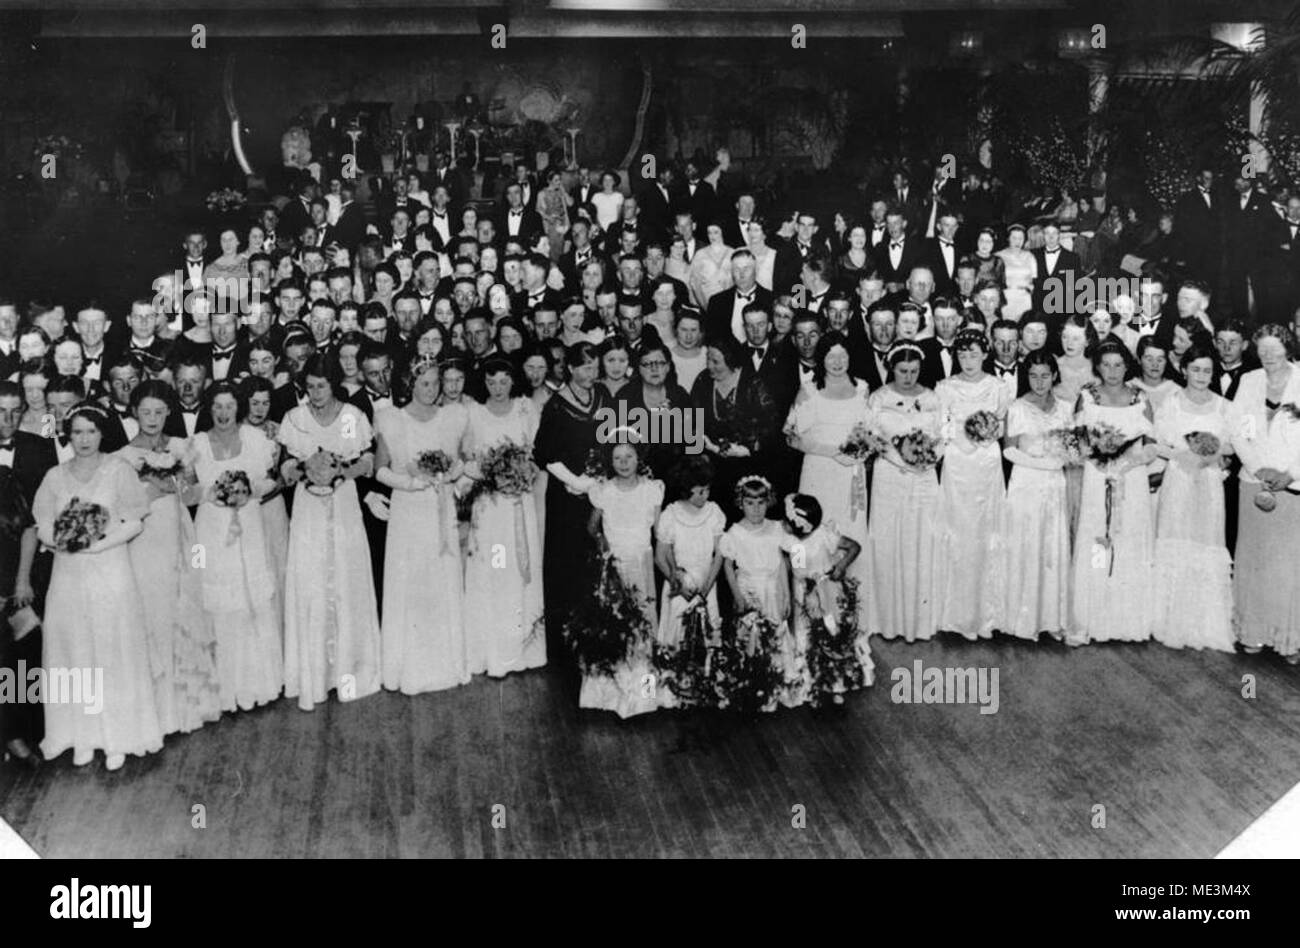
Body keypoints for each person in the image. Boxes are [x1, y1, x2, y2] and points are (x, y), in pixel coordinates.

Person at [33, 404, 161, 771]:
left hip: (110, 570)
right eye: (76, 432)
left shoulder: (118, 470)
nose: (84, 439)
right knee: (72, 651)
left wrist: (97, 543)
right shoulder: (55, 476)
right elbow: (41, 521)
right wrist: (62, 540)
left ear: (102, 433)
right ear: (67, 435)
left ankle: (117, 735)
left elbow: (135, 519)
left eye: (90, 431)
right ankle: (80, 735)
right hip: (68, 575)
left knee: (110, 649)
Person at [277, 354, 382, 709]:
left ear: (334, 384)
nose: (315, 393)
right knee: (311, 581)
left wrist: (339, 471)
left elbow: (366, 462)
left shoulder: (352, 418)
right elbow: (285, 467)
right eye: (309, 387)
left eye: (321, 386)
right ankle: (315, 676)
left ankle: (349, 673)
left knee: (346, 579)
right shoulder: (295, 419)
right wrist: (304, 467)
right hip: (308, 510)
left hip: (343, 507)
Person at [117, 380, 220, 735]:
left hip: (180, 535)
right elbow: (123, 508)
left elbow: (191, 495)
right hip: (146, 541)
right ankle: (157, 712)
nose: (152, 418)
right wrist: (151, 490)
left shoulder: (180, 447)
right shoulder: (123, 456)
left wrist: (177, 487)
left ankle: (187, 707)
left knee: (185, 608)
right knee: (155, 613)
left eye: (159, 412)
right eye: (145, 411)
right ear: (134, 413)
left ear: (168, 413)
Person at [374, 356, 471, 694]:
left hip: (440, 506)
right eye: (425, 383)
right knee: (410, 581)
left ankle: (446, 663)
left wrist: (448, 474)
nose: (432, 390)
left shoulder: (454, 417)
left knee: (440, 578)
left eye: (436, 383)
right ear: (410, 384)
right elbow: (380, 469)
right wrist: (411, 484)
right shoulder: (391, 419)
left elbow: (464, 460)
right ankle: (409, 667)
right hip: (408, 510)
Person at [191, 381, 284, 711]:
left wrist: (250, 491)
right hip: (213, 531)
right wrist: (211, 493)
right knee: (222, 603)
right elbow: (185, 491)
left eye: (229, 406)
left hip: (249, 527)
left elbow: (271, 481)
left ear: (239, 408)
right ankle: (226, 690)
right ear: (209, 409)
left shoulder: (256, 439)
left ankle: (259, 684)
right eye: (216, 406)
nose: (223, 413)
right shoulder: (198, 443)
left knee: (252, 600)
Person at [1070, 341, 1158, 645]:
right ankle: (1094, 616)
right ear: (1097, 366)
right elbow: (1079, 441)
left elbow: (1150, 445)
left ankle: (1127, 619)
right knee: (1098, 539)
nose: (1112, 371)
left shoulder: (1140, 397)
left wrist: (1125, 464)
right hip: (1097, 478)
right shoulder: (1087, 396)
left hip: (1130, 479)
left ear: (1127, 366)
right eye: (1106, 365)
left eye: (1118, 365)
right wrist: (1102, 462)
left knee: (1128, 538)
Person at [462, 357, 546, 677]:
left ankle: (521, 650)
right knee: (493, 570)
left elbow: (538, 455)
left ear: (513, 381)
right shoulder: (475, 414)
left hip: (518, 504)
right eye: (492, 382)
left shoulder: (526, 409)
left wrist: (522, 474)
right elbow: (467, 459)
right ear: (484, 383)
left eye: (504, 381)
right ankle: (492, 651)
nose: (498, 388)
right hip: (490, 505)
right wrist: (490, 475)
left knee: (517, 571)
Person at [1150, 342, 1236, 652]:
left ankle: (1205, 623)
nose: (1201, 375)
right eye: (1195, 369)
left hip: (1209, 482)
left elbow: (1231, 446)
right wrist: (1183, 455)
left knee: (1206, 541)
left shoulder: (1224, 406)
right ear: (1184, 370)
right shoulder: (1171, 403)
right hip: (1179, 478)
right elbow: (1158, 443)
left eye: (1207, 370)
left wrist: (1209, 454)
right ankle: (1168, 621)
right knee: (1177, 539)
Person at [781, 331, 871, 619]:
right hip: (819, 472)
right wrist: (832, 451)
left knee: (848, 534)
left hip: (850, 476)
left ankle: (849, 616)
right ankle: (812, 614)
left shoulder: (863, 389)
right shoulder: (809, 389)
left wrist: (860, 453)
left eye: (842, 355)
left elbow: (869, 432)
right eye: (831, 356)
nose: (837, 362)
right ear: (822, 359)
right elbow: (791, 437)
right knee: (814, 538)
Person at [1231, 324, 1300, 664]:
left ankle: (1289, 637)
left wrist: (1290, 474)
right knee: (1254, 561)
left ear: (1288, 347)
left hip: (1293, 486)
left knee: (1288, 565)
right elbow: (1241, 433)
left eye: (1275, 348)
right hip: (1255, 483)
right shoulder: (1250, 382)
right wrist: (1260, 468)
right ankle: (1254, 633)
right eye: (1263, 349)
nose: (1269, 355)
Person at [865, 342, 943, 642]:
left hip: (924, 477)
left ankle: (920, 621)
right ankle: (889, 619)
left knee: (921, 540)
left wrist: (925, 461)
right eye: (902, 371)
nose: (908, 377)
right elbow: (873, 437)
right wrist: (903, 461)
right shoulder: (879, 398)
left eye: (913, 371)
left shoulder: (932, 398)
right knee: (889, 541)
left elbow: (942, 436)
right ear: (891, 368)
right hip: (890, 475)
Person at [934, 328, 1008, 639]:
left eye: (974, 354)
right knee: (958, 530)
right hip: (957, 463)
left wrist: (986, 435)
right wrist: (960, 440)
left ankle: (987, 615)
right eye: (962, 354)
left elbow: (1002, 424)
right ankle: (955, 615)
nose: (968, 360)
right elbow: (941, 425)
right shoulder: (944, 387)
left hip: (987, 462)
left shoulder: (998, 387)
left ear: (985, 355)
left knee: (987, 531)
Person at [535, 342, 608, 651]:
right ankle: (566, 637)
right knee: (567, 560)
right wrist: (576, 481)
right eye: (586, 367)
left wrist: (601, 477)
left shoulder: (603, 396)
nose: (592, 373)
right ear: (571, 369)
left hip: (599, 492)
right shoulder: (555, 405)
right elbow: (544, 454)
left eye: (595, 367)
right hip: (567, 495)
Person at [583, 437, 663, 718]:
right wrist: (603, 543)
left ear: (639, 458)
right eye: (618, 458)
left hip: (641, 564)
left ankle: (645, 695)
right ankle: (610, 695)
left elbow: (660, 533)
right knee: (614, 622)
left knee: (642, 622)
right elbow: (592, 527)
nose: (624, 463)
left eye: (629, 457)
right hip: (615, 564)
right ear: (610, 462)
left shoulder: (652, 490)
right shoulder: (604, 491)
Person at [1000, 350, 1073, 640]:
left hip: (1055, 484)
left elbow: (1073, 446)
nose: (1039, 382)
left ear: (1055, 375)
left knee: (1051, 546)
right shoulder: (1016, 407)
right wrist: (1042, 463)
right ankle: (1023, 619)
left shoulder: (1067, 408)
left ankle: (1051, 618)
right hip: (1026, 482)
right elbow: (1008, 449)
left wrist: (1063, 459)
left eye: (1045, 375)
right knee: (1026, 545)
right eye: (1033, 376)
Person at [780, 492, 872, 709]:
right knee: (809, 636)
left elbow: (854, 547)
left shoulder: (824, 535)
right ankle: (813, 684)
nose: (784, 523)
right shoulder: (795, 543)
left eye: (788, 520)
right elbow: (800, 572)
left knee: (832, 634)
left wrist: (840, 567)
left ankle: (837, 684)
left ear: (800, 524)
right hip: (806, 594)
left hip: (828, 592)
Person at [718, 475, 791, 712]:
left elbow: (782, 562)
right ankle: (750, 686)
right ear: (740, 503)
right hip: (748, 588)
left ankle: (775, 685)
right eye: (750, 503)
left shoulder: (777, 528)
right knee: (749, 635)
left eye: (761, 502)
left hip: (773, 588)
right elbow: (728, 566)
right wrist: (738, 597)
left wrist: (787, 594)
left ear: (768, 502)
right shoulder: (735, 532)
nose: (756, 508)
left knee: (774, 632)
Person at [653, 456, 725, 682]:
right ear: (685, 491)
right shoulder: (670, 515)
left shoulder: (714, 512)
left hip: (706, 583)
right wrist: (677, 583)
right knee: (677, 633)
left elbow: (720, 555)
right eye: (700, 491)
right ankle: (674, 684)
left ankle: (703, 684)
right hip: (679, 586)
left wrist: (706, 588)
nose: (706, 495)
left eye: (708, 489)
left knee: (707, 629)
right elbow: (660, 557)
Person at [0, 467, 40, 768]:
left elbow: (28, 528)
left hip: (11, 585)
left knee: (25, 652)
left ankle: (17, 734)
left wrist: (21, 582)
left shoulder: (6, 476)